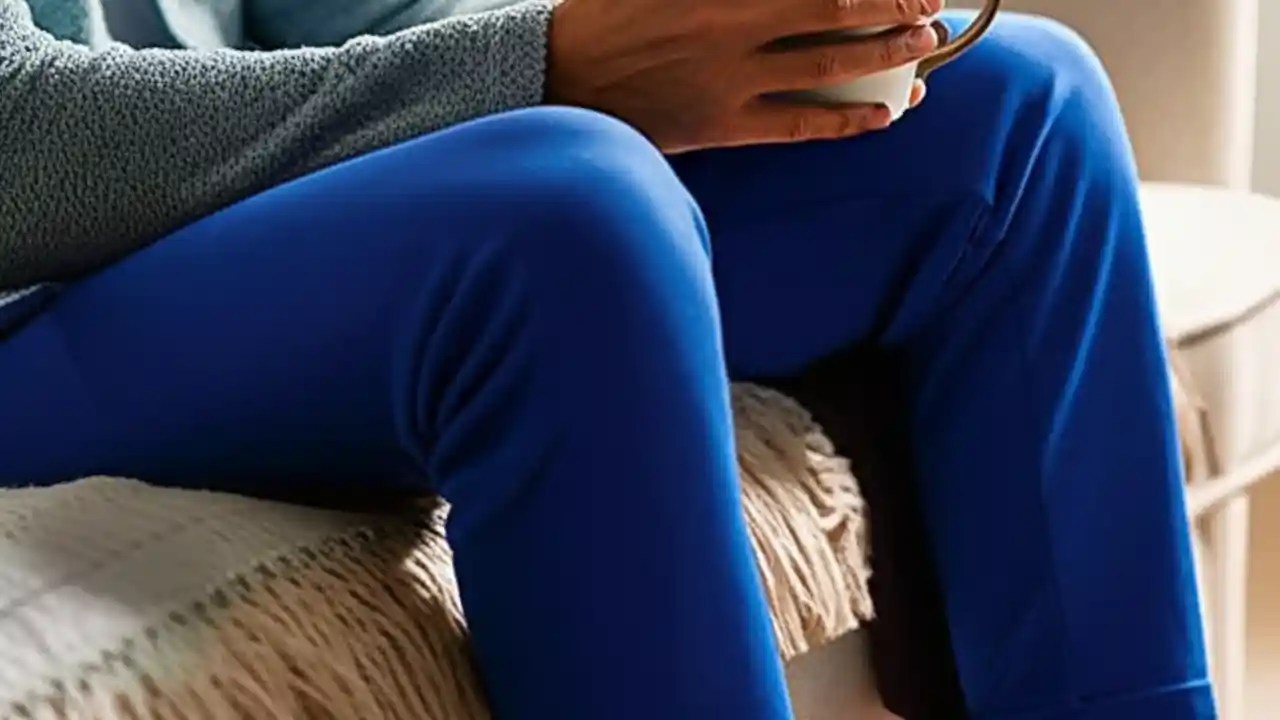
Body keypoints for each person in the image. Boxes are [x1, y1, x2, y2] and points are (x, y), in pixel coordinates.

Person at [0, 0, 1215, 717]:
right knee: (574, 210)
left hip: (257, 214)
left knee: (1013, 109)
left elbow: (360, 21)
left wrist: (689, 37)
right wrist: (555, 60)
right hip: (35, 295)